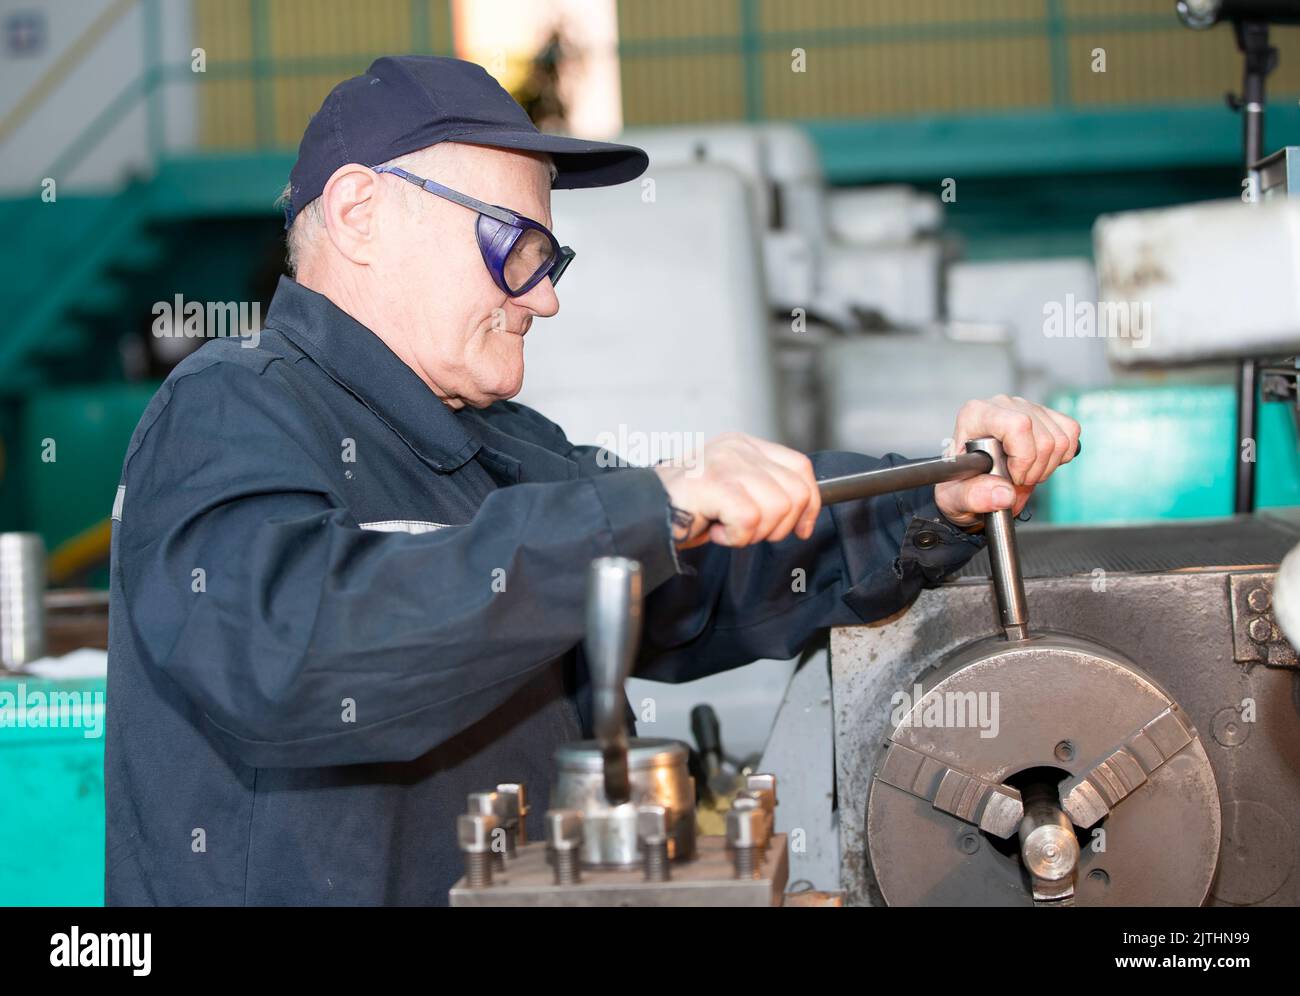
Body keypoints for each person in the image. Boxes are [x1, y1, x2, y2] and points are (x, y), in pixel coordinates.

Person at [105, 56, 1080, 905]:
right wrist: (645, 507)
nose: (546, 296)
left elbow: (710, 577)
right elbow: (292, 654)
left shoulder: (500, 447)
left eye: (551, 256)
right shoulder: (232, 410)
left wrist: (928, 499)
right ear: (362, 213)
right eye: (514, 249)